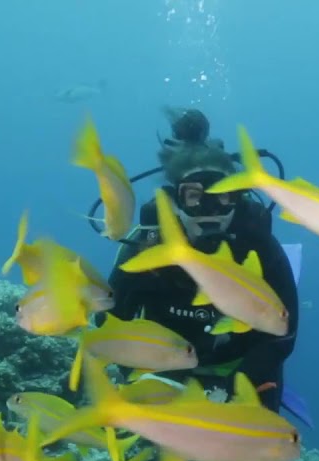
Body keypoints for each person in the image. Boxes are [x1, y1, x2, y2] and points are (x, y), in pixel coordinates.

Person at [101, 109, 299, 413]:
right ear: (174, 201)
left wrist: (237, 385)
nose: (210, 209)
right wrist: (144, 374)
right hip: (161, 368)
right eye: (194, 196)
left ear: (238, 198)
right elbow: (108, 321)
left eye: (223, 197)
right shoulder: (147, 249)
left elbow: (283, 337)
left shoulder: (260, 249)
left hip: (241, 370)